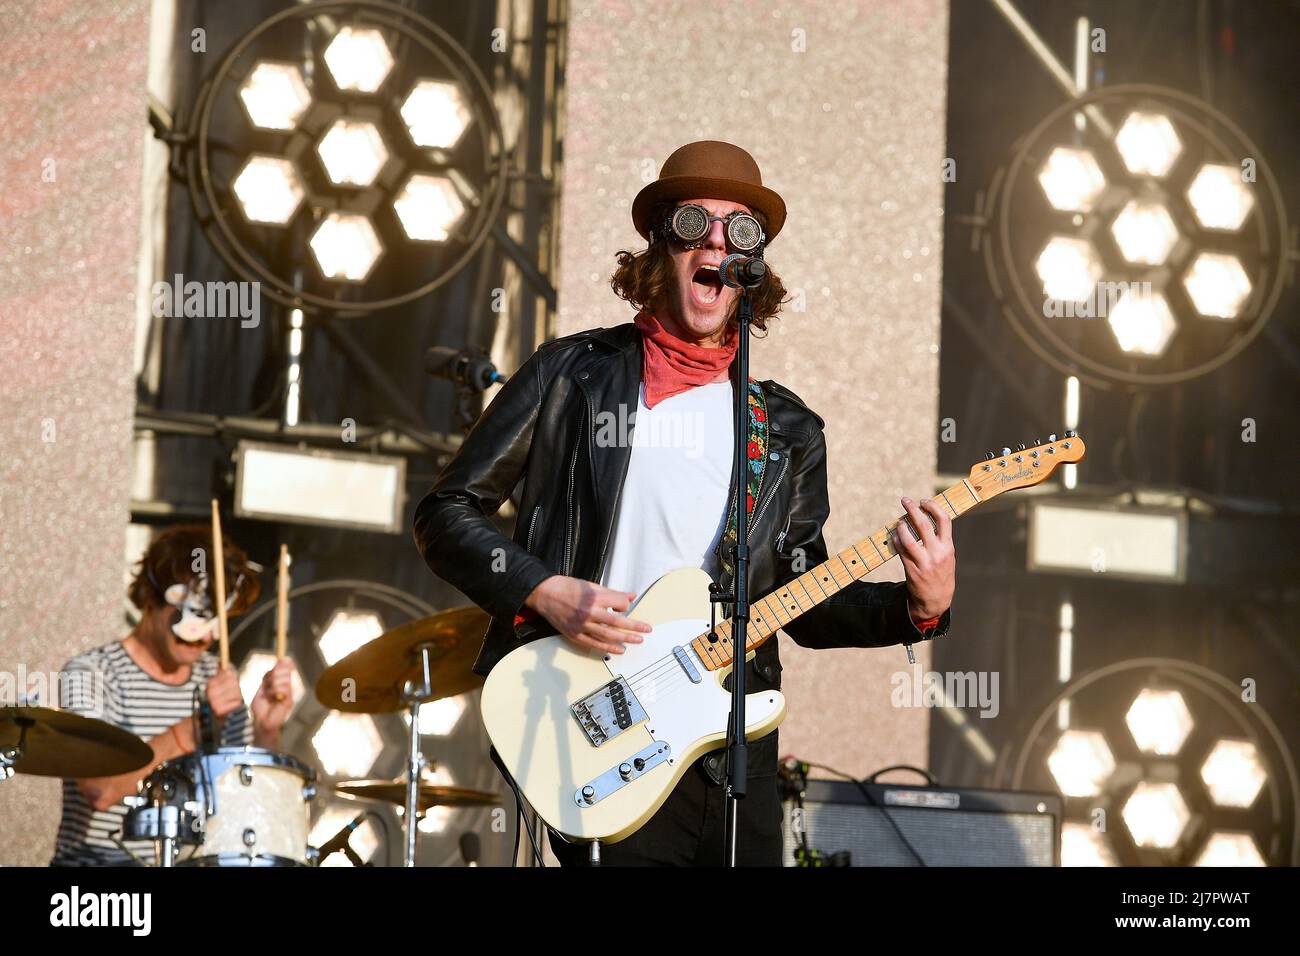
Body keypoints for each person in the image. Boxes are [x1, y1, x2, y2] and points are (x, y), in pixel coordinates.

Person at [414, 140, 956, 866]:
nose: (717, 242)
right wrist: (543, 591)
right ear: (659, 245)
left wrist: (920, 606)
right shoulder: (571, 377)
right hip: (603, 725)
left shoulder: (786, 429)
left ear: (750, 273)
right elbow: (446, 512)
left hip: (733, 750)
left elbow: (806, 599)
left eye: (740, 231)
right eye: (695, 222)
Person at [50, 524, 296, 866]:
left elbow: (249, 806)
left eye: (217, 619)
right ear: (152, 596)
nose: (202, 637)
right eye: (194, 614)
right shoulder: (91, 673)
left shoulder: (217, 677)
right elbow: (99, 790)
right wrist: (190, 731)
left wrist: (267, 731)